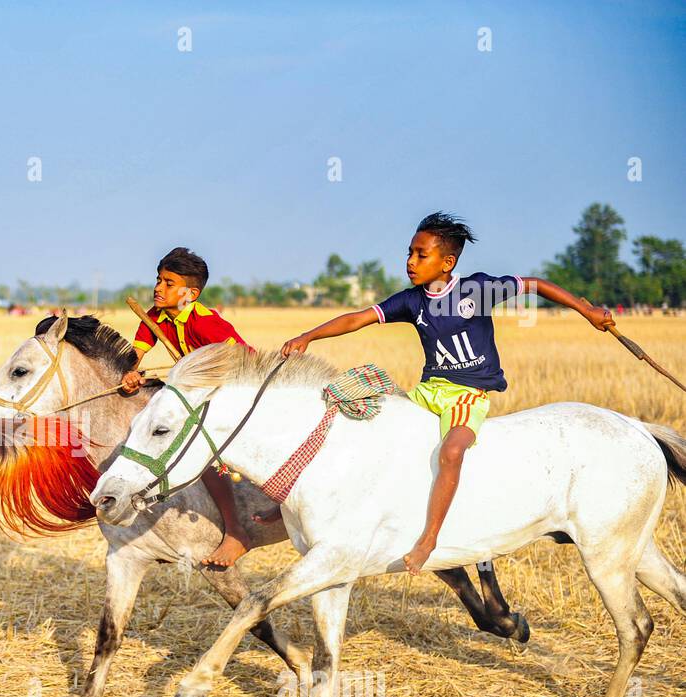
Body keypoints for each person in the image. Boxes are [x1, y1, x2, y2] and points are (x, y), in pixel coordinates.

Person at [280, 211, 613, 573]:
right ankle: (287, 500)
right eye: (409, 252)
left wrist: (586, 310)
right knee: (366, 420)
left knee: (452, 451)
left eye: (421, 255)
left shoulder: (477, 290)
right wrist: (308, 336)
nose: (410, 261)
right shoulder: (411, 301)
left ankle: (429, 538)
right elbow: (358, 318)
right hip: (428, 391)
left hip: (467, 394)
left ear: (447, 262)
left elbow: (533, 284)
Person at [121, 247, 263, 567]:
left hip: (231, 390)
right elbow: (136, 354)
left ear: (191, 293)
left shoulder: (207, 323)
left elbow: (246, 361)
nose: (159, 288)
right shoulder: (154, 315)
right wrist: (130, 373)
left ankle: (236, 532)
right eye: (158, 279)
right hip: (197, 393)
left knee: (205, 457)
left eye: (169, 283)